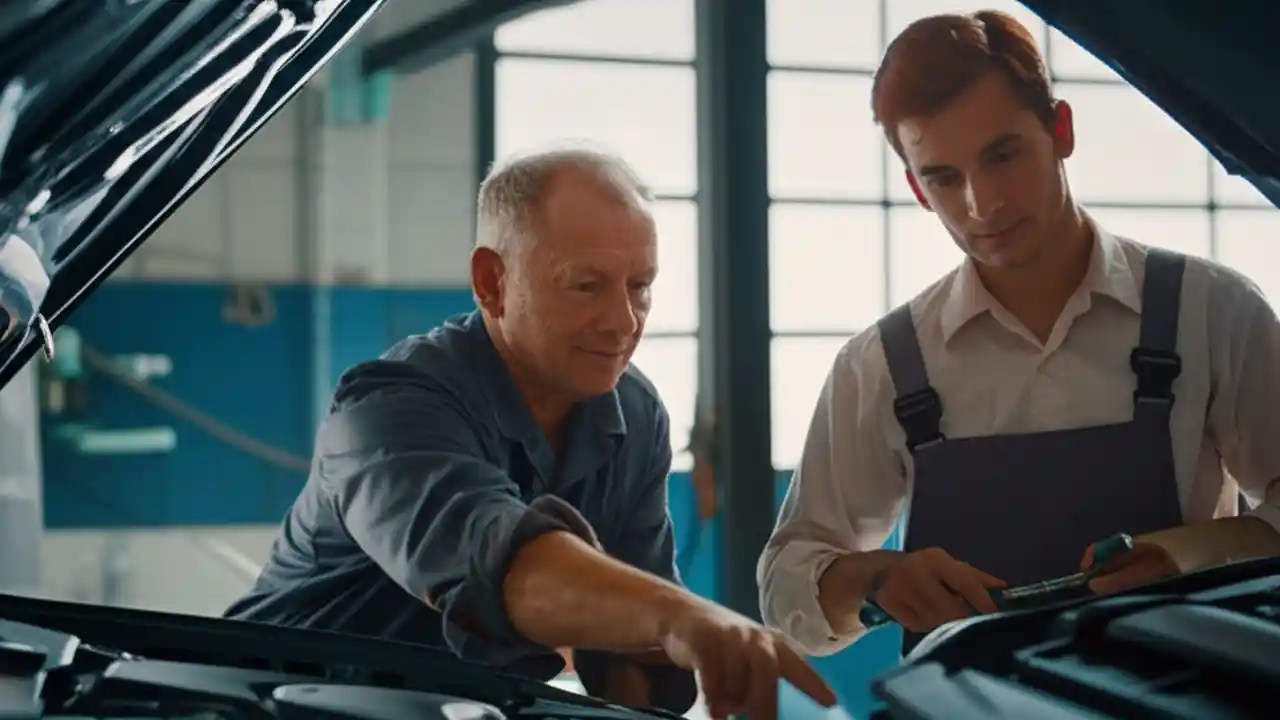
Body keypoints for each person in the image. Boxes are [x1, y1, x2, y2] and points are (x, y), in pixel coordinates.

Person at [225, 146, 836, 719]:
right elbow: (502, 567)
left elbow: (627, 645)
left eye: (640, 286)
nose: (623, 321)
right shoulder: (387, 409)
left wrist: (695, 651)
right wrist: (687, 619)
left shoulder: (634, 411)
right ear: (492, 283)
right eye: (587, 285)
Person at [758, 10, 1280, 657]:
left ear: (1060, 130)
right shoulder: (884, 363)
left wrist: (1189, 556)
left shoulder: (1215, 312)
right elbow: (786, 582)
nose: (983, 204)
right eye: (944, 177)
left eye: (1002, 156)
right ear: (917, 188)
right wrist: (877, 578)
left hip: (1172, 695)